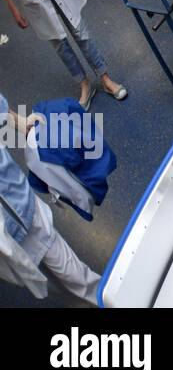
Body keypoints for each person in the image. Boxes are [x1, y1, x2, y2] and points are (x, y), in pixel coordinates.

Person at [0, 92, 101, 304]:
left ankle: (113, 301)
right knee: (46, 284)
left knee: (76, 278)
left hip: (21, 204)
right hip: (5, 239)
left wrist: (21, 123)